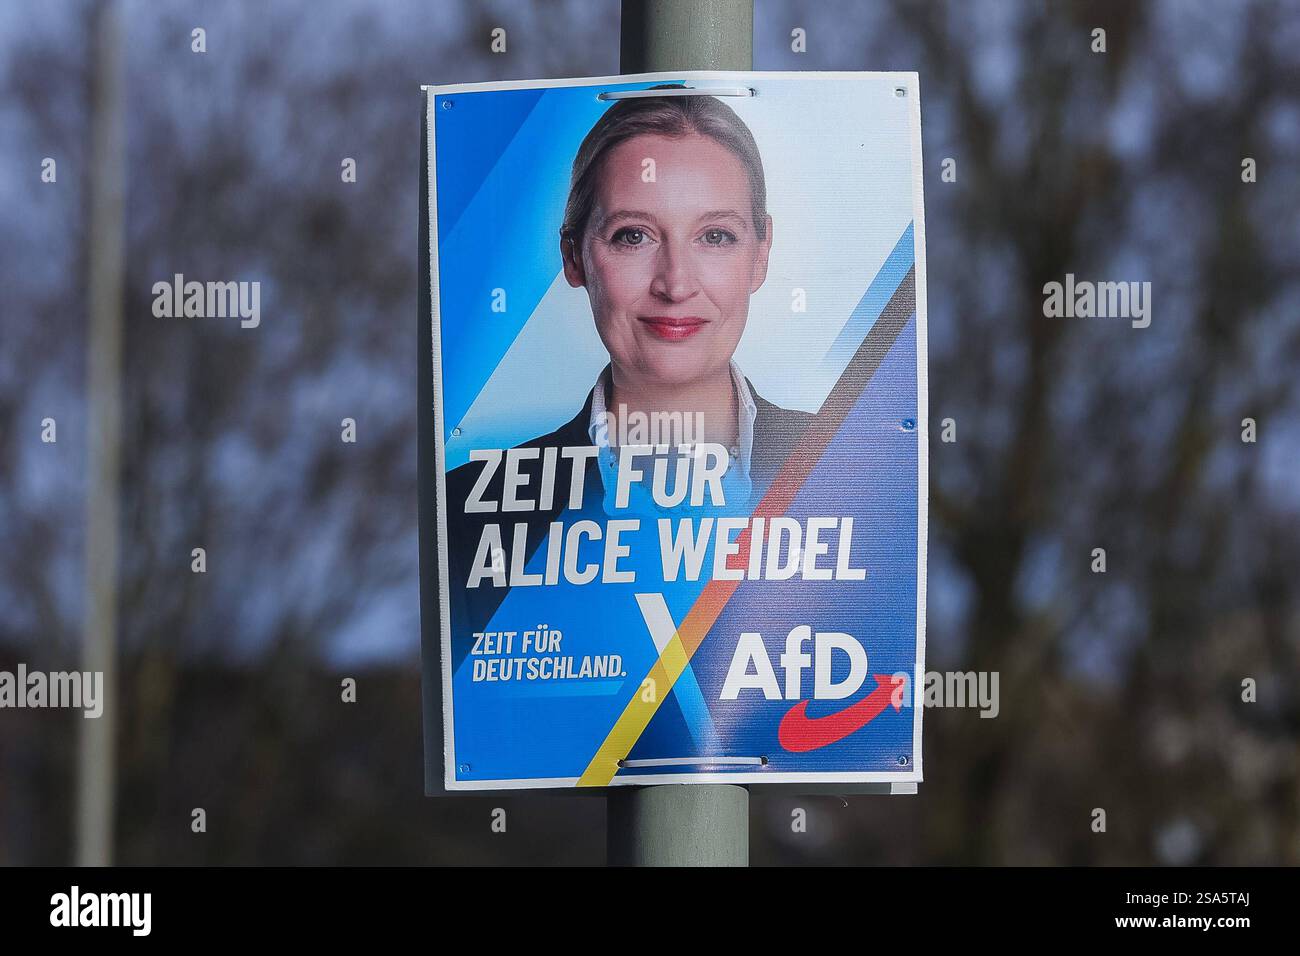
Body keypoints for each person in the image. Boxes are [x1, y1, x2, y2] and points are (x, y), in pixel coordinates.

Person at [444, 90, 812, 635]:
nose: (676, 284)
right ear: (574, 256)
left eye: (715, 236)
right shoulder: (472, 508)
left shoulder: (850, 476)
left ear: (761, 253)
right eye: (633, 236)